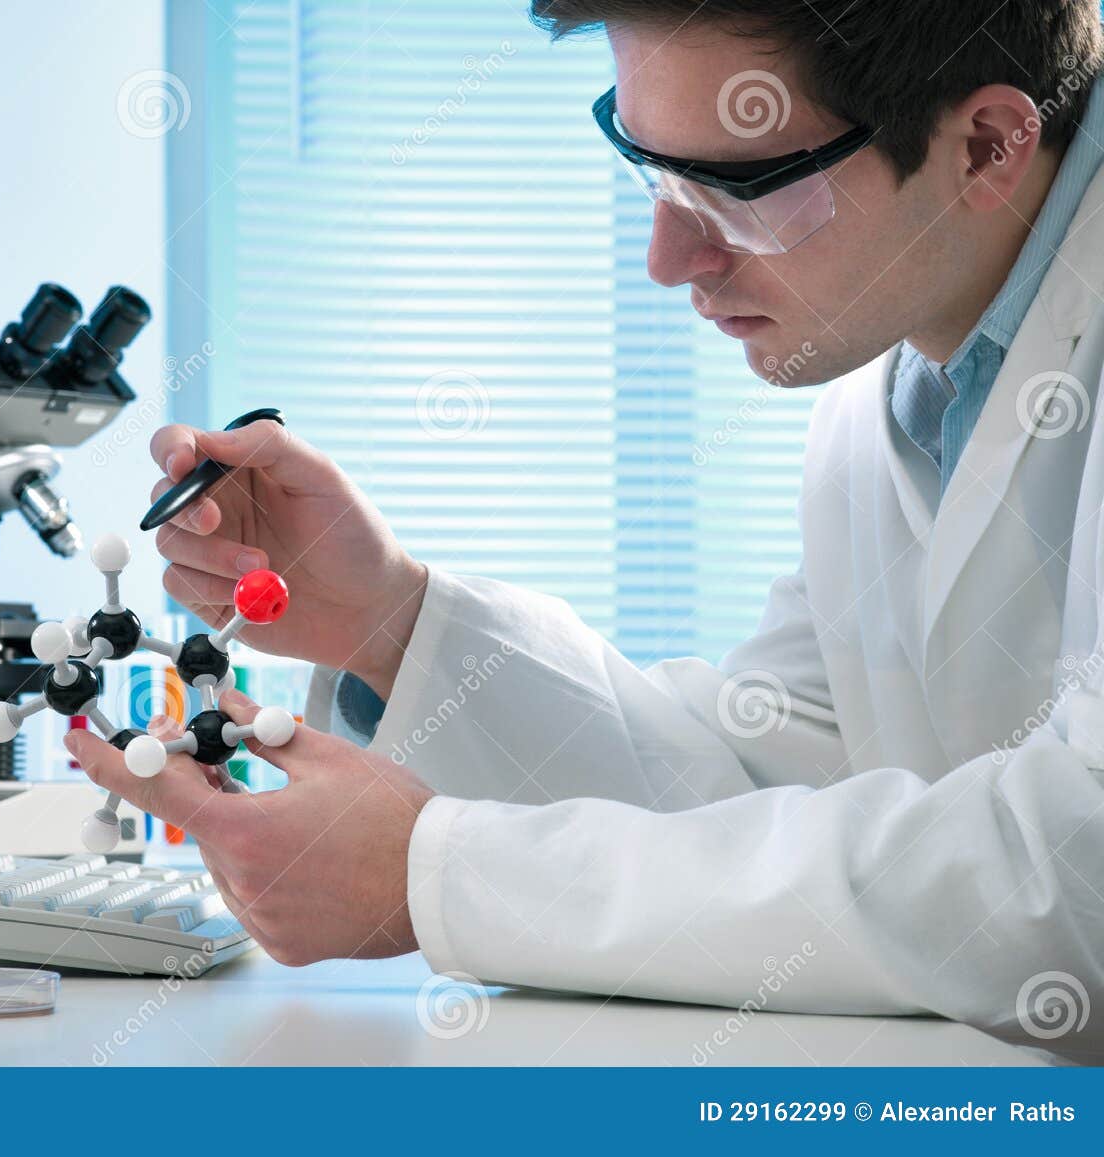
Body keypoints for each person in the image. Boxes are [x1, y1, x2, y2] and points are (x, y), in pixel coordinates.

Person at [67, 0, 1104, 1060]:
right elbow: (760, 798)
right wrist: (389, 618)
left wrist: (441, 873)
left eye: (738, 187)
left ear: (985, 145)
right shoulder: (897, 367)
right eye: (652, 170)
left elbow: (1073, 875)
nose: (667, 256)